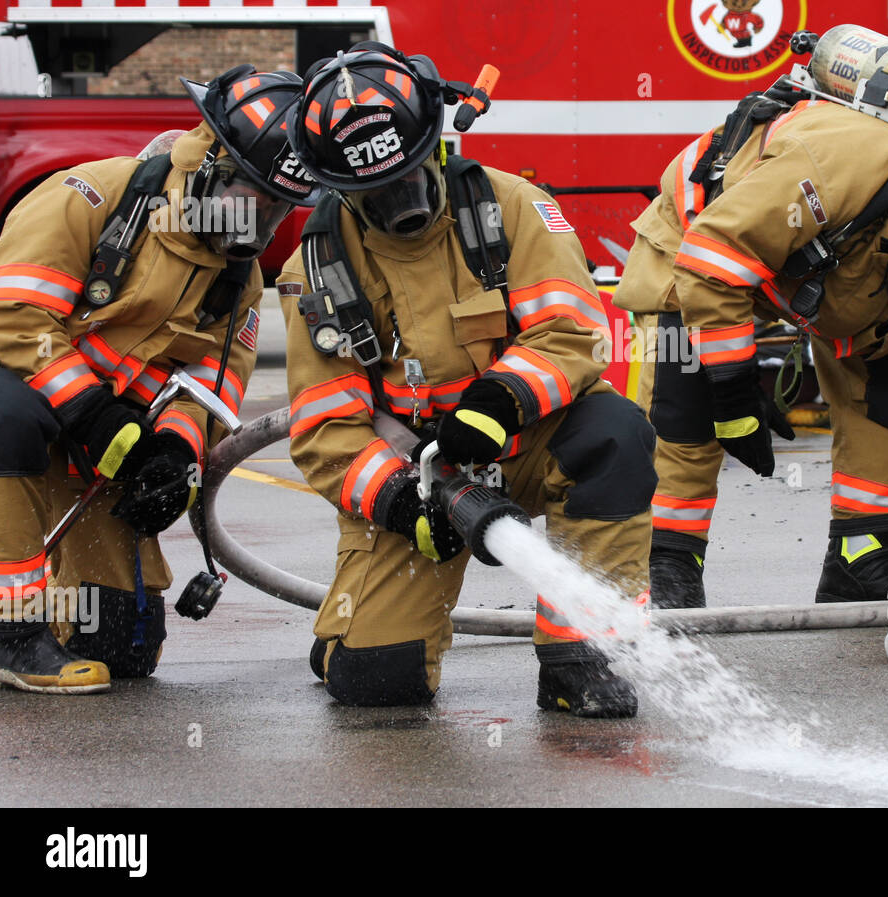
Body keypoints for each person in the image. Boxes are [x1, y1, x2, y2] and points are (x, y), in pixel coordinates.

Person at [279, 42, 656, 712]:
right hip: (414, 479)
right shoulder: (317, 266)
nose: (402, 200)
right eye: (376, 192)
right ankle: (348, 637)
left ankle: (587, 657)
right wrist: (400, 501)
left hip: (526, 444)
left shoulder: (511, 209)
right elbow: (324, 424)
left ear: (435, 147)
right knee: (377, 687)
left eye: (409, 175)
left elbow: (574, 332)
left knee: (615, 433)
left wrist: (499, 403)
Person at [613, 77, 888, 617]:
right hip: (705, 239)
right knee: (688, 390)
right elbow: (714, 263)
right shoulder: (828, 166)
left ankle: (860, 556)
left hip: (842, 278)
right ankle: (668, 558)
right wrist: (734, 387)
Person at [0, 65, 318, 693]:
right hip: (24, 397)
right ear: (210, 170)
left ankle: (65, 611)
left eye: (280, 205)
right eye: (256, 196)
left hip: (95, 437)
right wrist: (91, 413)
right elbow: (14, 315)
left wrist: (171, 451)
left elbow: (210, 381)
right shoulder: (91, 197)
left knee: (123, 649)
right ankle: (10, 633)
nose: (265, 219)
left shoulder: (237, 276)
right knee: (8, 421)